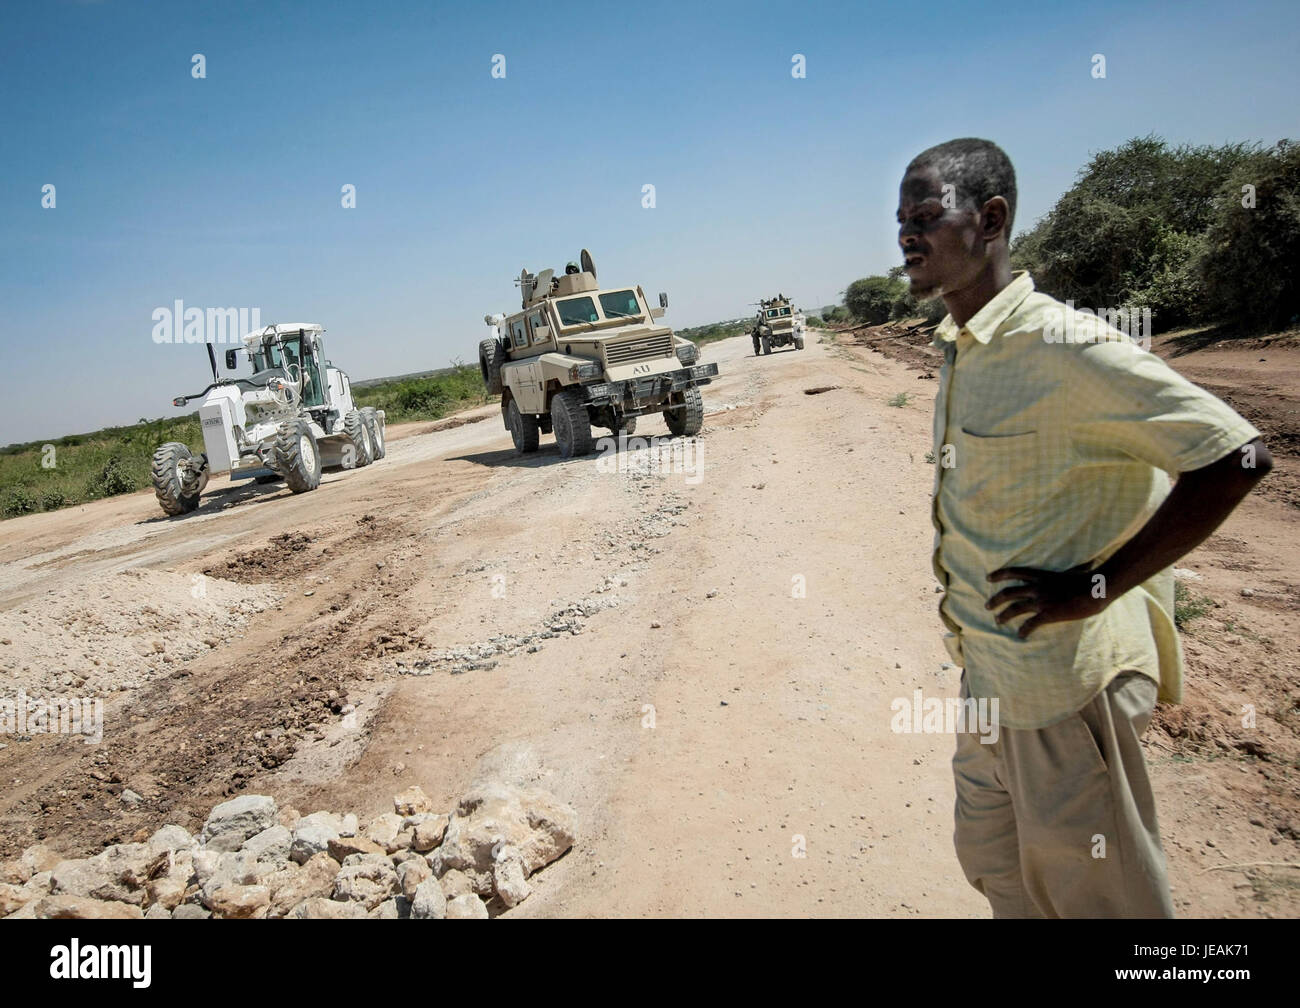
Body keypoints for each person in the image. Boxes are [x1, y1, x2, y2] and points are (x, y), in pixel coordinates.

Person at [897, 137, 1272, 918]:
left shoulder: (1062, 343)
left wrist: (1094, 588)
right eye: (901, 219)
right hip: (991, 682)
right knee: (999, 871)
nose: (907, 234)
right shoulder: (961, 345)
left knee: (1101, 900)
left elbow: (1234, 456)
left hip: (1063, 693)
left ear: (991, 218)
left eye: (927, 216)